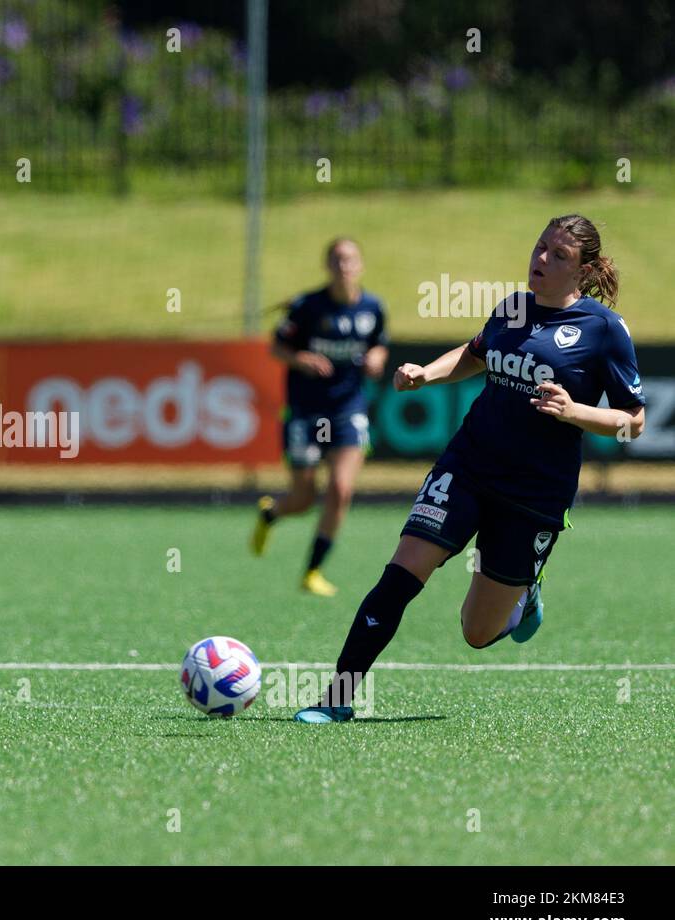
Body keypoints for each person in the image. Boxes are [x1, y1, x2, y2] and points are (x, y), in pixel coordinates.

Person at [295, 214, 646, 723]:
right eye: (540, 246)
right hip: (469, 464)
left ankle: (524, 595)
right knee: (402, 572)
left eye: (559, 255)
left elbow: (633, 422)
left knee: (476, 632)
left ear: (583, 270)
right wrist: (426, 374)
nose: (541, 260)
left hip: (534, 493)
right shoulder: (512, 308)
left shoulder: (605, 330)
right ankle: (337, 697)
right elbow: (475, 352)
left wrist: (575, 412)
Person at [251, 238, 388, 596]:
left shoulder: (373, 307)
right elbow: (277, 346)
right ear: (327, 266)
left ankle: (311, 571)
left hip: (348, 411)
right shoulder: (308, 306)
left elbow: (379, 343)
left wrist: (377, 357)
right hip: (306, 412)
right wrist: (301, 359)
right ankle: (272, 513)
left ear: (360, 266)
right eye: (338, 260)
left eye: (351, 259)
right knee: (302, 498)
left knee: (341, 490)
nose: (345, 266)